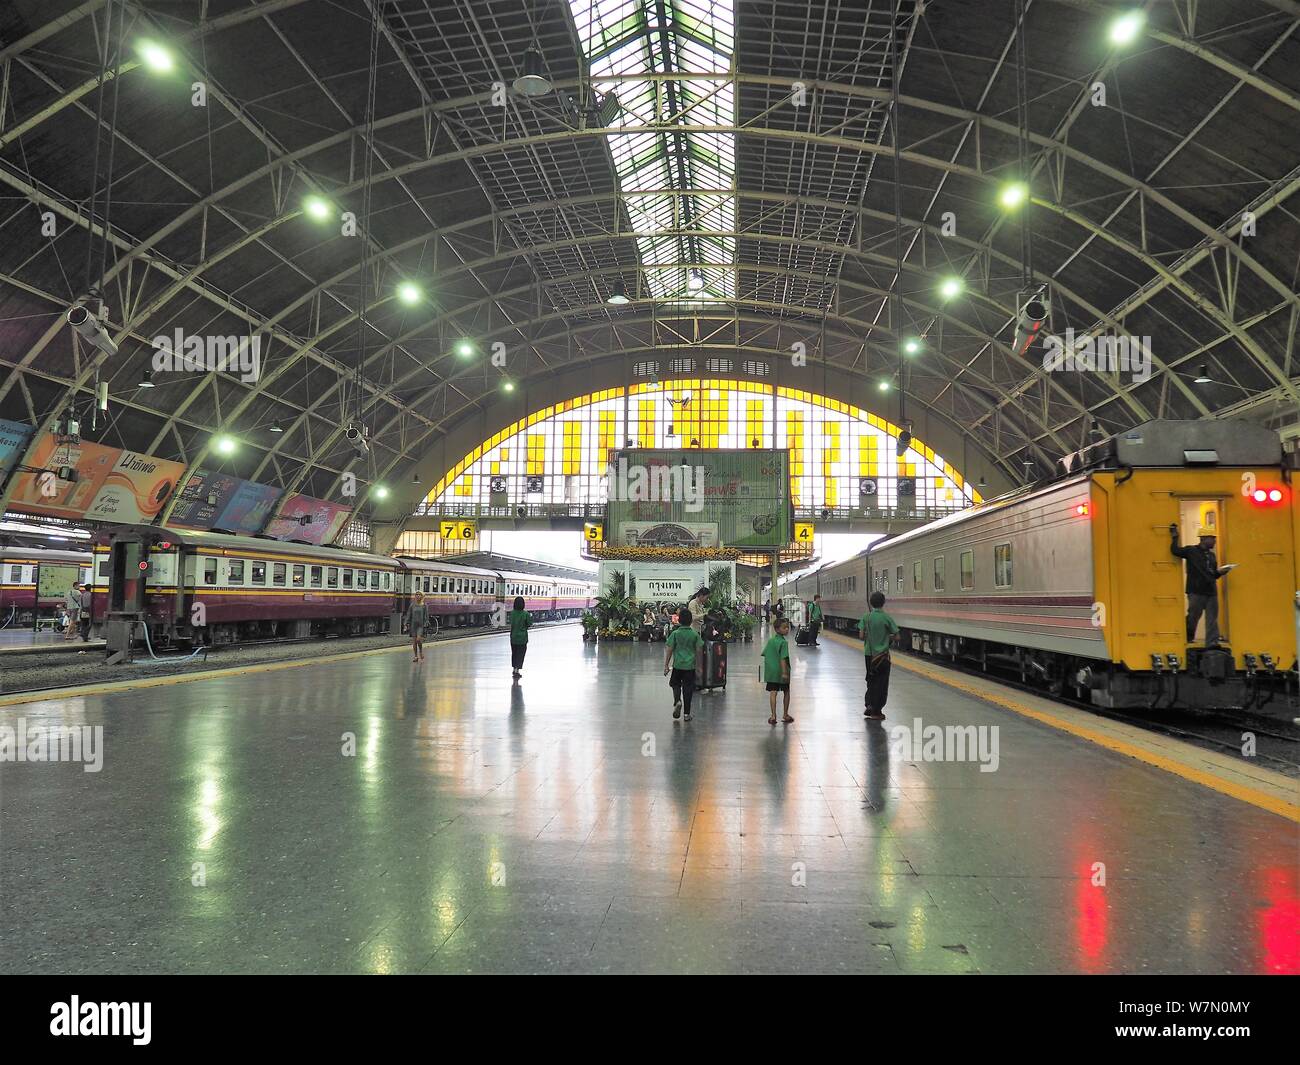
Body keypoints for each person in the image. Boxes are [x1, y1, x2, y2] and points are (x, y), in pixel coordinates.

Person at [1169, 524, 1232, 647]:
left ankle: (1212, 642)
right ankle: (1188, 637)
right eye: (1212, 538)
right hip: (1196, 591)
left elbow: (1212, 575)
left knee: (1212, 619)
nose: (1214, 541)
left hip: (1211, 591)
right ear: (1203, 539)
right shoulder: (1191, 551)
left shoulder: (1212, 556)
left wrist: (1220, 573)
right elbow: (1175, 551)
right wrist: (1175, 537)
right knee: (1193, 616)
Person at [858, 591, 900, 720]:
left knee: (871, 680)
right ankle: (877, 711)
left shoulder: (866, 617)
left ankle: (869, 705)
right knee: (882, 682)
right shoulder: (886, 618)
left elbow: (861, 635)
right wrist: (887, 637)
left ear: (871, 603)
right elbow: (897, 636)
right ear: (883, 603)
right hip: (882, 656)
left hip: (869, 655)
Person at [663, 607, 704, 721]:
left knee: (675, 684)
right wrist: (699, 666)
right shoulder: (695, 635)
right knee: (688, 689)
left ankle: (677, 701)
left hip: (677, 666)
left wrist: (666, 665)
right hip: (690, 667)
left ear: (679, 620)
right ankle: (686, 714)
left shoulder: (675, 634)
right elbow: (699, 651)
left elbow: (669, 649)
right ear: (691, 621)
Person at [761, 616, 794, 725]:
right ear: (777, 629)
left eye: (787, 628)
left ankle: (773, 716)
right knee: (786, 692)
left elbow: (764, 653)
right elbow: (783, 658)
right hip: (781, 672)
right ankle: (785, 714)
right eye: (784, 628)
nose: (787, 630)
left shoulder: (771, 641)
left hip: (771, 673)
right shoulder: (783, 643)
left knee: (773, 693)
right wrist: (784, 672)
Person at [508, 595, 532, 678]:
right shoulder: (526, 614)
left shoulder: (512, 613)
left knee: (514, 653)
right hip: (522, 638)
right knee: (520, 654)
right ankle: (517, 670)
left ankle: (514, 668)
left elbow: (510, 622)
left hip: (513, 637)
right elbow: (529, 624)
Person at [408, 591, 428, 662]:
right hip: (413, 625)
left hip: (421, 625)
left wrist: (426, 623)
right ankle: (415, 656)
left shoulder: (424, 605)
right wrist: (405, 623)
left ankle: (421, 651)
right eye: (417, 594)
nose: (418, 596)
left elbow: (426, 616)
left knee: (418, 639)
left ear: (422, 596)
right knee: (414, 641)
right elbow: (409, 615)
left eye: (419, 595)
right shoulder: (412, 605)